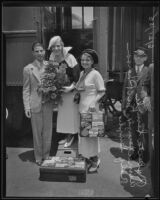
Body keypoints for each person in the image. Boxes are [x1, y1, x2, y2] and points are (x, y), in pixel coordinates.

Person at [23, 42, 54, 166]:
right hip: (35, 104)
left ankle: (46, 155)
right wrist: (27, 107)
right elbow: (25, 89)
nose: (39, 53)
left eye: (41, 51)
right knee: (37, 132)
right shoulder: (28, 69)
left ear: (44, 52)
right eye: (37, 51)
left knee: (48, 132)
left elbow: (55, 85)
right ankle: (38, 157)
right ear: (33, 53)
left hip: (47, 104)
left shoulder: (50, 66)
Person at [76, 49, 106, 173]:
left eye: (87, 60)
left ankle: (95, 160)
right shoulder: (82, 73)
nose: (84, 62)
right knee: (84, 135)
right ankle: (86, 156)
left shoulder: (95, 74)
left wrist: (94, 102)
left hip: (91, 108)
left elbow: (102, 90)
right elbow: (79, 88)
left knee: (92, 136)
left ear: (92, 61)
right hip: (82, 108)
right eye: (83, 60)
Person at [48, 36, 80, 148]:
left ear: (62, 45)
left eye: (58, 46)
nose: (56, 48)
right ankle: (67, 135)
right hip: (60, 92)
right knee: (63, 115)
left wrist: (71, 87)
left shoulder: (70, 57)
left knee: (71, 114)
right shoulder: (52, 57)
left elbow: (77, 75)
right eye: (53, 46)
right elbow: (50, 73)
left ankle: (71, 136)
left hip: (70, 92)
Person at [121, 46, 151, 166]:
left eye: (140, 56)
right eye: (136, 56)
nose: (138, 58)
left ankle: (145, 155)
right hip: (131, 106)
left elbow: (152, 87)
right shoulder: (129, 72)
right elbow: (124, 90)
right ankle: (136, 150)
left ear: (145, 58)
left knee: (143, 131)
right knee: (133, 130)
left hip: (143, 106)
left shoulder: (149, 70)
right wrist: (123, 107)